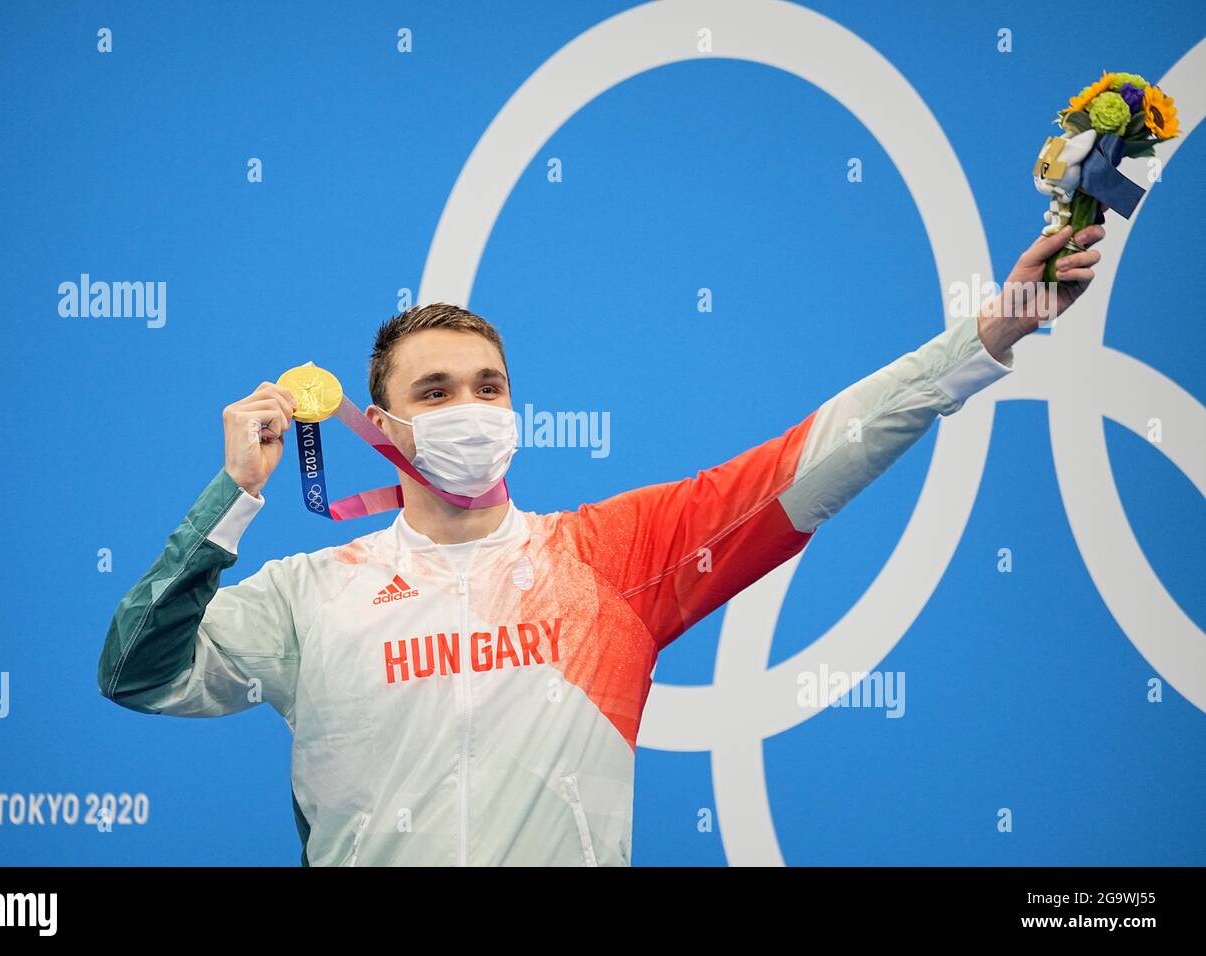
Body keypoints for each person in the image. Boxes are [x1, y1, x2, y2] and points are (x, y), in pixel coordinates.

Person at [97, 224, 1104, 866]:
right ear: (381, 426)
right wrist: (231, 497)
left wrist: (993, 333)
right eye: (435, 392)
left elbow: (815, 455)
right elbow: (136, 672)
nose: (471, 408)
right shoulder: (302, 596)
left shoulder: (610, 560)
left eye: (488, 386)